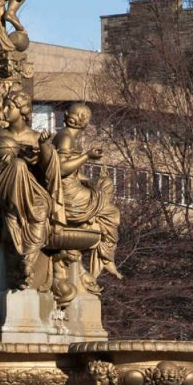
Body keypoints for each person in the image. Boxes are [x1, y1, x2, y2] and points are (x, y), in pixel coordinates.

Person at [0, 88, 64, 286]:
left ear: (22, 110)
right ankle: (20, 257)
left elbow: (50, 170)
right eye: (5, 105)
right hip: (3, 191)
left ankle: (27, 260)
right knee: (18, 166)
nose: (5, 110)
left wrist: (44, 147)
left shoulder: (35, 136)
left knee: (41, 209)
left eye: (10, 106)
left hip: (32, 192)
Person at [53, 102, 122, 283]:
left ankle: (104, 256)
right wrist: (87, 156)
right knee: (111, 212)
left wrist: (88, 180)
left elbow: (72, 173)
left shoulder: (67, 137)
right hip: (68, 194)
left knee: (104, 186)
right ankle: (106, 258)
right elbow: (60, 169)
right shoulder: (65, 138)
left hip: (72, 187)